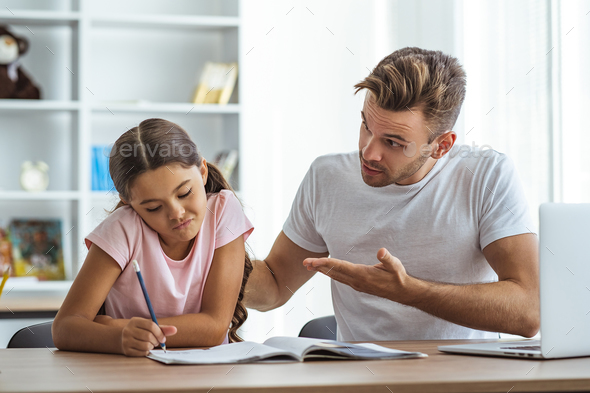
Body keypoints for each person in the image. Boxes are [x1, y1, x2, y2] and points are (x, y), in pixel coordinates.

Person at [244, 47, 540, 341]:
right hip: (361, 380)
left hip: (463, 379)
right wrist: (207, 258)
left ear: (441, 145)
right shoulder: (326, 177)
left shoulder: (486, 175)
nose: (369, 152)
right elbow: (273, 283)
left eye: (394, 142)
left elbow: (528, 312)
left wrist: (408, 292)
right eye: (366, 126)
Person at [53, 118, 254, 356]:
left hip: (209, 377)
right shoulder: (122, 229)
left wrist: (116, 326)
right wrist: (118, 337)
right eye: (153, 208)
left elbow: (214, 327)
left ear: (202, 171)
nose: (177, 214)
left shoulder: (223, 211)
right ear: (128, 202)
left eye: (184, 193)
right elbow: (65, 327)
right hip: (133, 376)